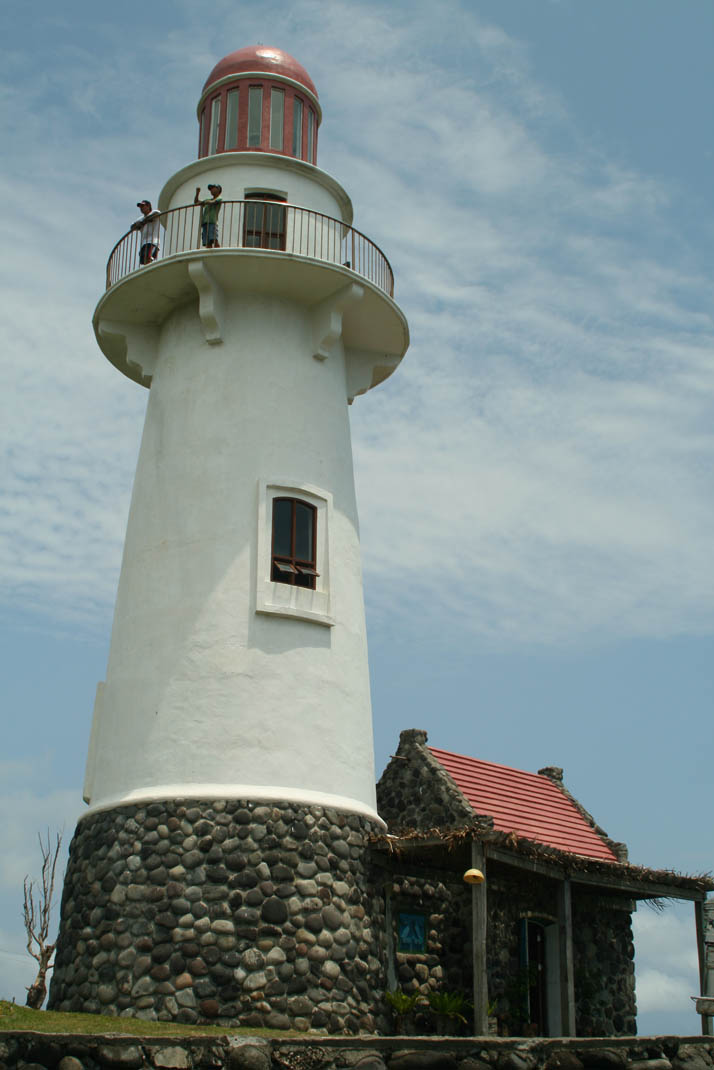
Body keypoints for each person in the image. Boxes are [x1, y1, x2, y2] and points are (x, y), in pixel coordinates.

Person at [131, 200, 161, 265]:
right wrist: (140, 223)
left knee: (148, 257)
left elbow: (157, 213)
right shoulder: (140, 219)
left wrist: (143, 222)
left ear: (148, 206)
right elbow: (132, 227)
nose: (141, 208)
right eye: (140, 206)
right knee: (143, 261)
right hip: (144, 243)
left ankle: (152, 269)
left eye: (142, 206)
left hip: (153, 242)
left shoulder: (154, 212)